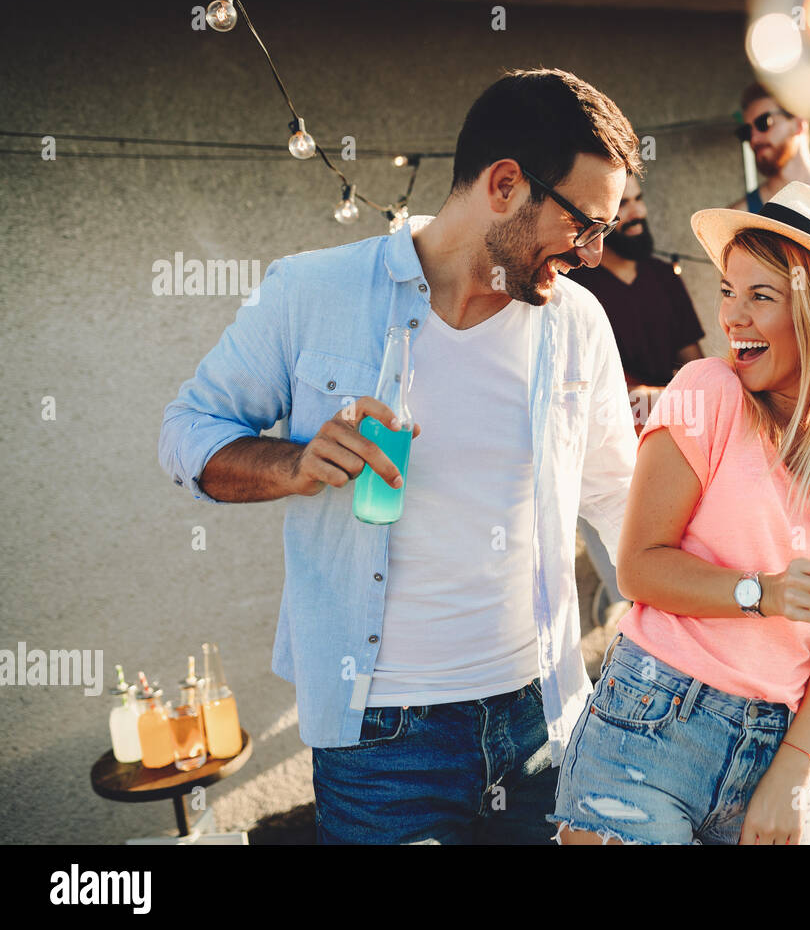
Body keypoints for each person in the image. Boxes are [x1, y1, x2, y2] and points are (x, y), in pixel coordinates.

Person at [158, 68, 641, 843]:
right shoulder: (312, 291)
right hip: (381, 743)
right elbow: (187, 434)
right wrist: (294, 463)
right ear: (507, 183)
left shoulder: (577, 323)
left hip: (541, 726)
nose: (591, 252)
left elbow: (618, 499)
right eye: (585, 224)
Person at [549, 182, 810, 845]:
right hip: (650, 719)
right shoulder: (708, 390)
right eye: (729, 291)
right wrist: (768, 594)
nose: (731, 318)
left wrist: (798, 765)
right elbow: (639, 568)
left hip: (779, 738)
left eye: (762, 296)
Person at [568, 173, 705, 623]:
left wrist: (662, 397)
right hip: (606, 457)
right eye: (623, 205)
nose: (637, 213)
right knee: (628, 579)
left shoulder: (665, 277)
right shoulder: (578, 293)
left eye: (639, 200)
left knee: (674, 571)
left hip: (674, 452)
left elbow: (697, 373)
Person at [728, 82, 810, 213]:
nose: (754, 139)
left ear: (798, 124)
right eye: (747, 131)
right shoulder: (741, 216)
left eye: (764, 123)